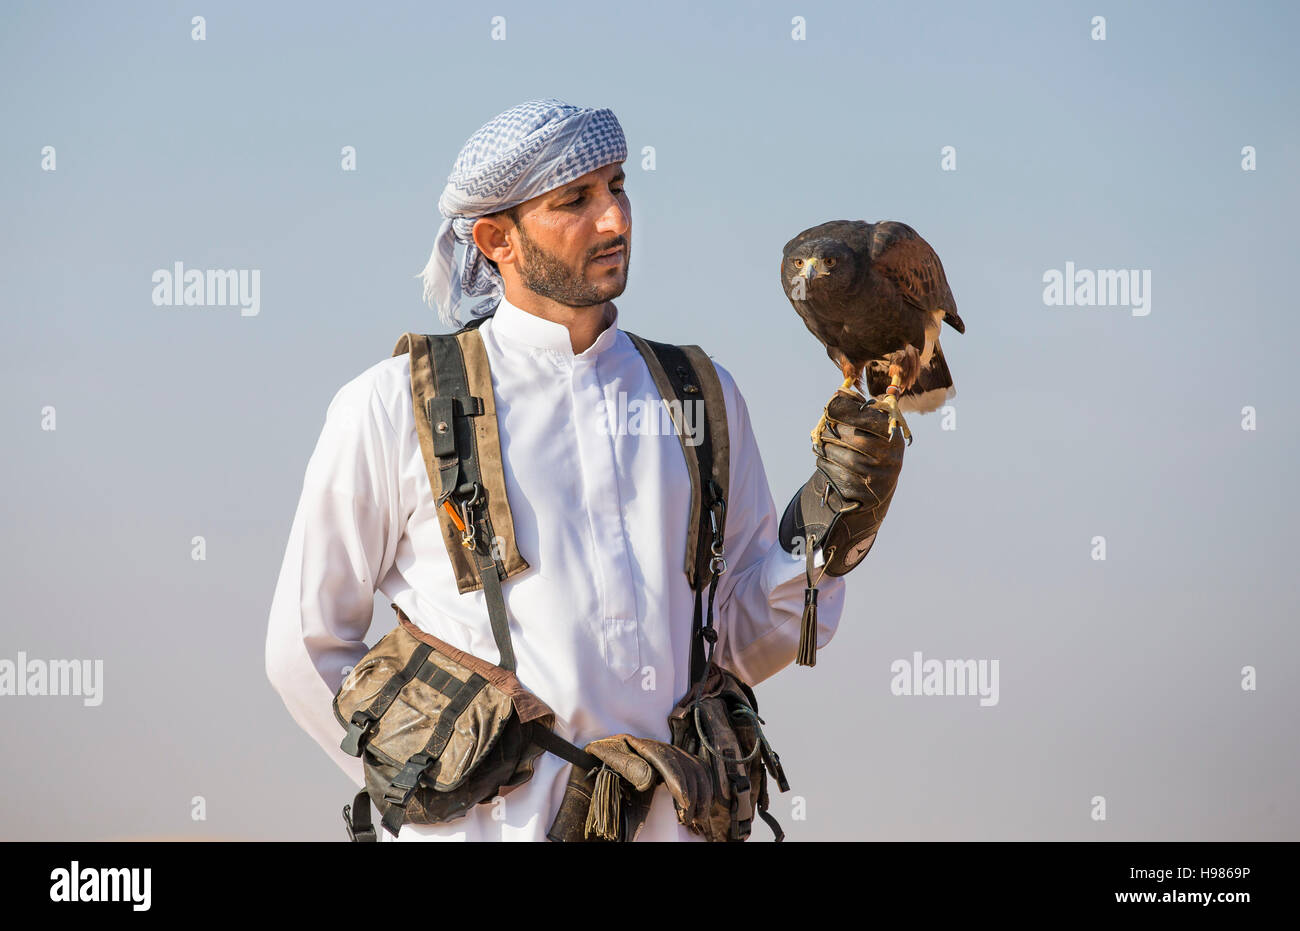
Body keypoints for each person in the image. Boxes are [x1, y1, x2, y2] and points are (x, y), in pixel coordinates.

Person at [264, 98, 904, 841]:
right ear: (495, 238)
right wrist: (433, 800)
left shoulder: (700, 394)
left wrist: (834, 534)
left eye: (619, 187)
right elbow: (304, 649)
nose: (615, 219)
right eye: (576, 199)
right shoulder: (392, 404)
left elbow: (746, 637)